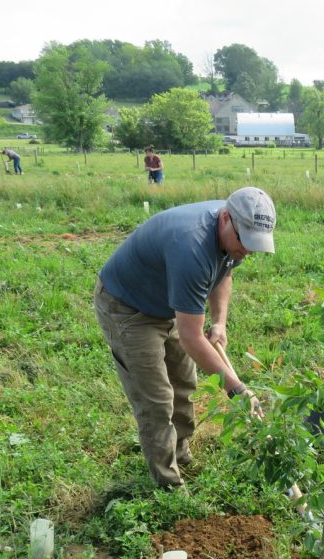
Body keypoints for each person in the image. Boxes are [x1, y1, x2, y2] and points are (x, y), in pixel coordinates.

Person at [94, 187, 276, 491]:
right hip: (127, 307)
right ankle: (168, 484)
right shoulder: (191, 246)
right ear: (227, 219)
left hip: (169, 304)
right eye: (246, 241)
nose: (249, 250)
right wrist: (237, 390)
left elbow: (225, 272)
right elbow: (192, 337)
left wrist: (219, 322)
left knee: (184, 383)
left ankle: (180, 453)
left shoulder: (236, 235)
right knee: (156, 398)